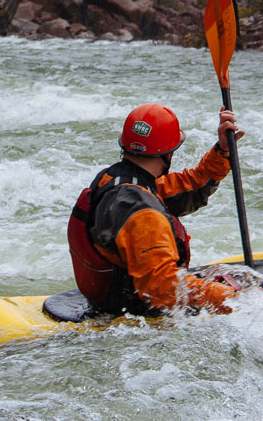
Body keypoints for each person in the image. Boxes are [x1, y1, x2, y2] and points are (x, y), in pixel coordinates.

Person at [67, 103, 245, 316]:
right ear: (169, 153)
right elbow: (162, 288)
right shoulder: (142, 212)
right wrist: (233, 300)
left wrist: (223, 151)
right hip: (134, 312)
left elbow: (190, 186)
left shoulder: (117, 181)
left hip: (110, 299)